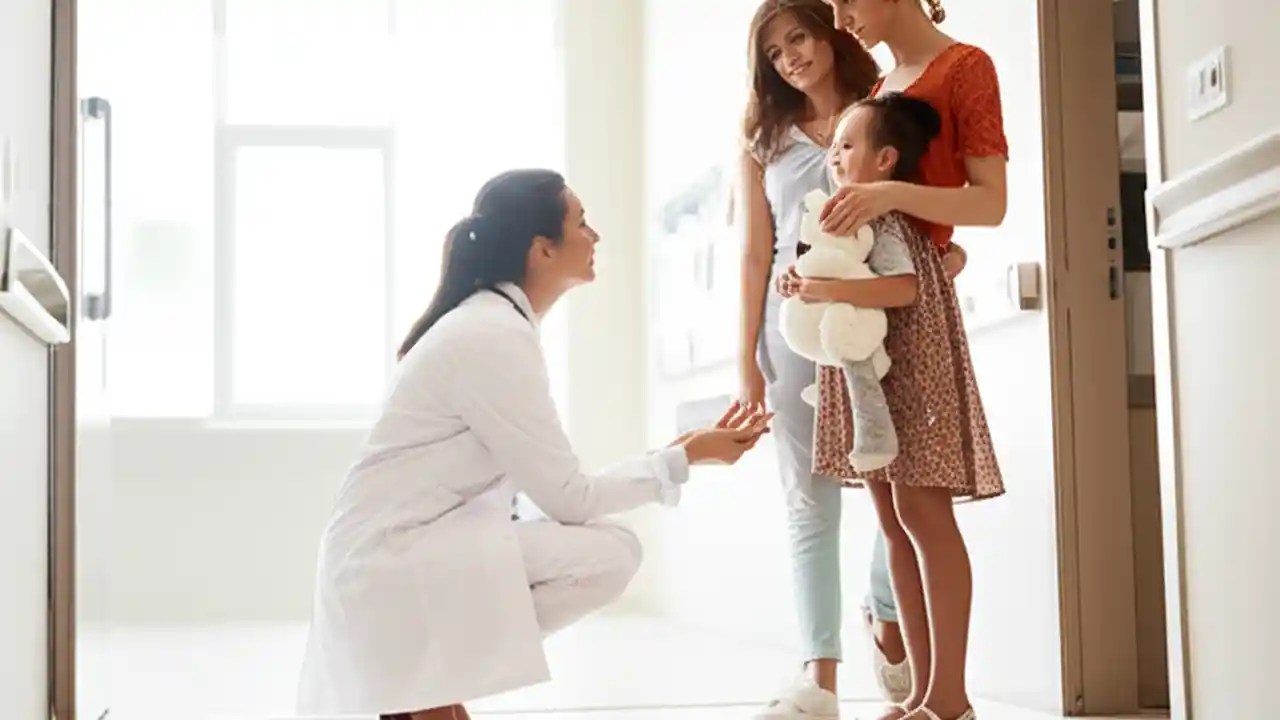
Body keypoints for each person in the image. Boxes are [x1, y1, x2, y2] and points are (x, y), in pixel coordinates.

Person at [295, 169, 773, 720]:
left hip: (392, 559)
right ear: (542, 250)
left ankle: (431, 683)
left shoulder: (489, 324)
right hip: (390, 566)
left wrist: (684, 451)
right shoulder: (492, 335)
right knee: (611, 553)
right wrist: (686, 456)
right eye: (582, 222)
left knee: (601, 550)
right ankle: (429, 677)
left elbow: (545, 492)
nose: (595, 236)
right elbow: (569, 499)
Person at [737, 2, 965, 717]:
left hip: (887, 325)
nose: (790, 57)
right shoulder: (762, 141)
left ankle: (885, 605)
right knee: (811, 504)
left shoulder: (884, 108)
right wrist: (746, 354)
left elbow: (920, 213)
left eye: (798, 37)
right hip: (797, 325)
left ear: (829, 31)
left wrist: (946, 257)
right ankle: (821, 681)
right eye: (774, 52)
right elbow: (754, 251)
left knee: (900, 485)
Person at [812, 2, 1012, 719]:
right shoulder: (873, 98)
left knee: (924, 513)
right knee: (893, 518)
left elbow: (990, 204)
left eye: (846, 1)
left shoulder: (966, 68)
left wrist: (892, 202)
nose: (839, 18)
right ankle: (925, 698)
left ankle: (949, 699)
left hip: (911, 317)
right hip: (868, 318)